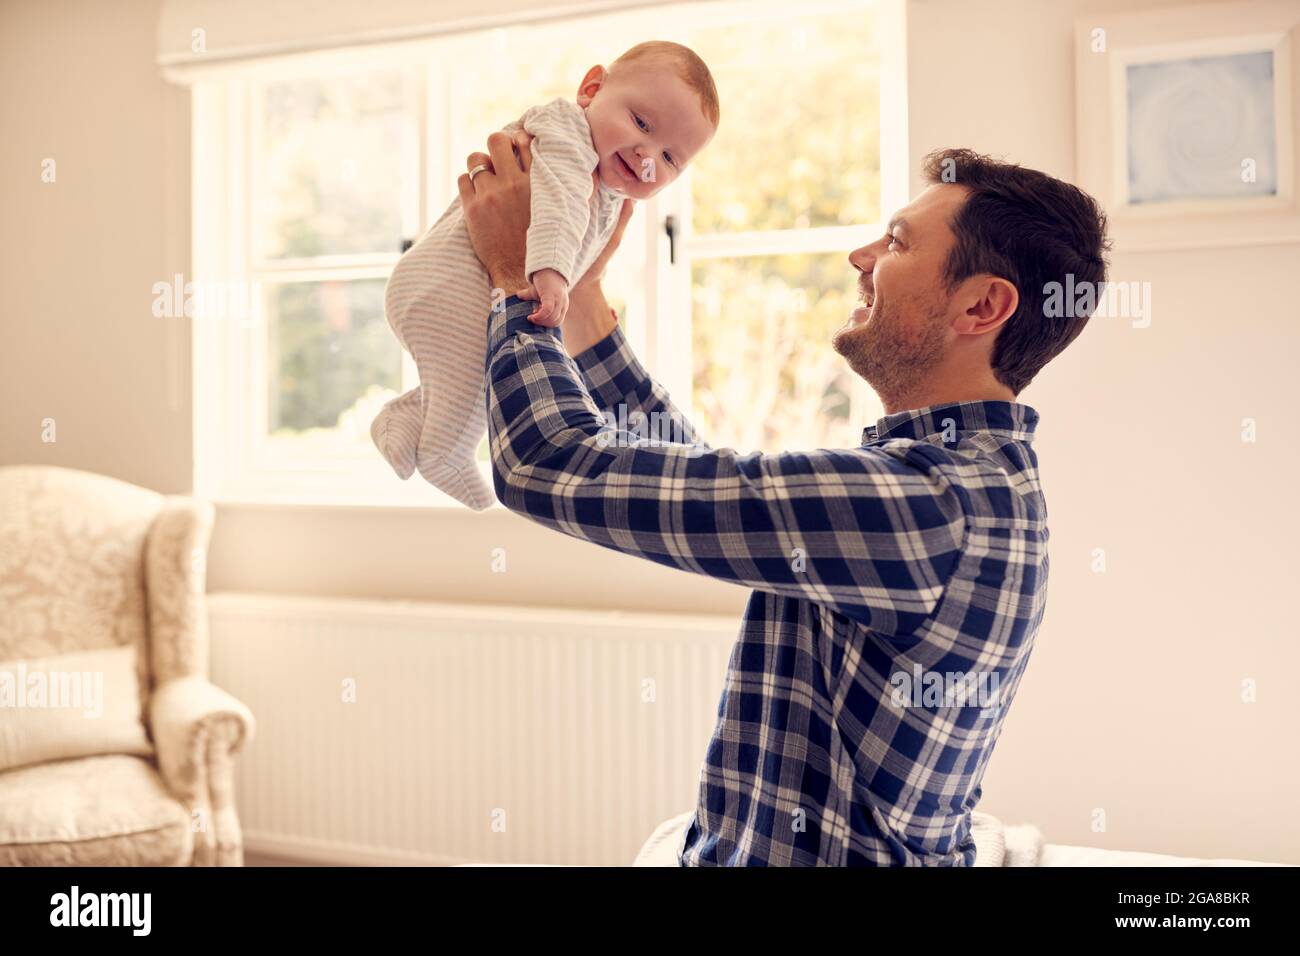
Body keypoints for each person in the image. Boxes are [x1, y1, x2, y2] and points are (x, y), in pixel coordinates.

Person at [460, 132, 1110, 866]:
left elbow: (545, 466)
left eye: (895, 242)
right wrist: (574, 295)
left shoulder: (928, 503)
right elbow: (696, 478)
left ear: (983, 305)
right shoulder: (964, 478)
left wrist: (518, 279)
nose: (860, 258)